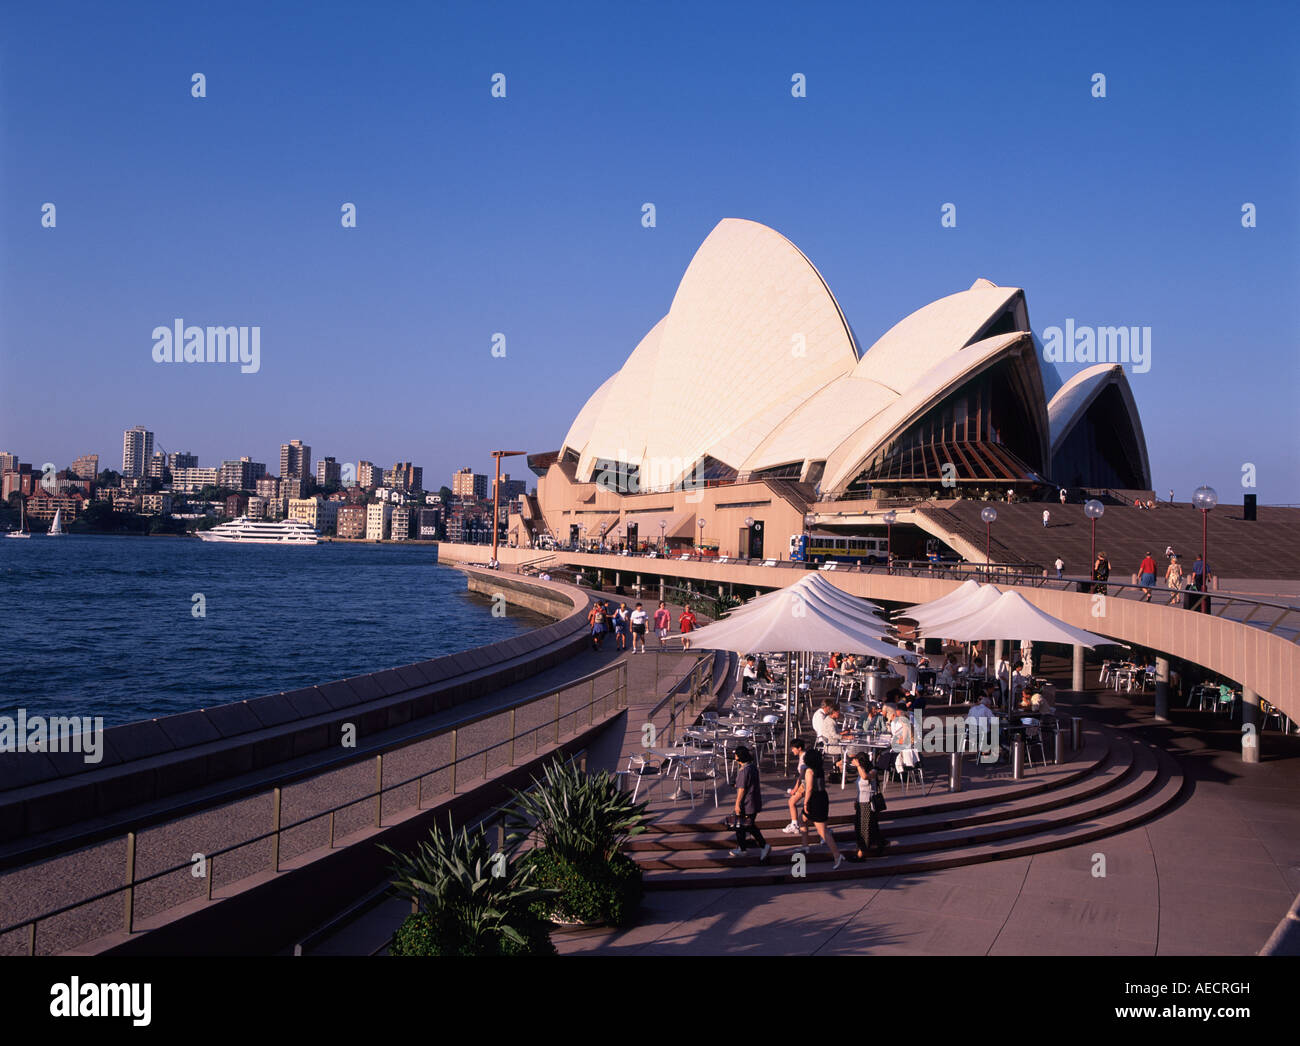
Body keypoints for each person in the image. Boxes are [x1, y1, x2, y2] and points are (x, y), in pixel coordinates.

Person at [798, 747, 844, 870]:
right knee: (802, 819)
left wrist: (805, 802)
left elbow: (809, 788)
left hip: (814, 798)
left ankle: (837, 855)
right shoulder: (819, 769)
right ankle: (805, 845)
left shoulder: (809, 771)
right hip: (822, 796)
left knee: (822, 830)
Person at [728, 746, 771, 860]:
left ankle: (763, 845)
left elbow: (742, 789)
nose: (734, 756)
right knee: (743, 826)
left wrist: (737, 804)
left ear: (739, 757)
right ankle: (742, 849)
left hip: (747, 803)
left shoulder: (744, 771)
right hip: (754, 801)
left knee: (747, 825)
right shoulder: (752, 767)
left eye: (736, 754)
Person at [852, 753, 886, 859]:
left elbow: (865, 777)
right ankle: (878, 845)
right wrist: (856, 800)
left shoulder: (873, 771)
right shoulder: (860, 771)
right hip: (860, 802)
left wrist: (858, 766)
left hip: (868, 803)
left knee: (865, 828)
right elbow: (860, 787)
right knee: (862, 826)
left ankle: (862, 853)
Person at [783, 738, 809, 834]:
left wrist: (795, 788)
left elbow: (802, 775)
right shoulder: (803, 756)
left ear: (799, 748)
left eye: (793, 748)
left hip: (805, 784)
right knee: (792, 802)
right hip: (804, 783)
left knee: (792, 802)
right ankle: (795, 824)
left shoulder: (804, 758)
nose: (792, 750)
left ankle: (795, 824)